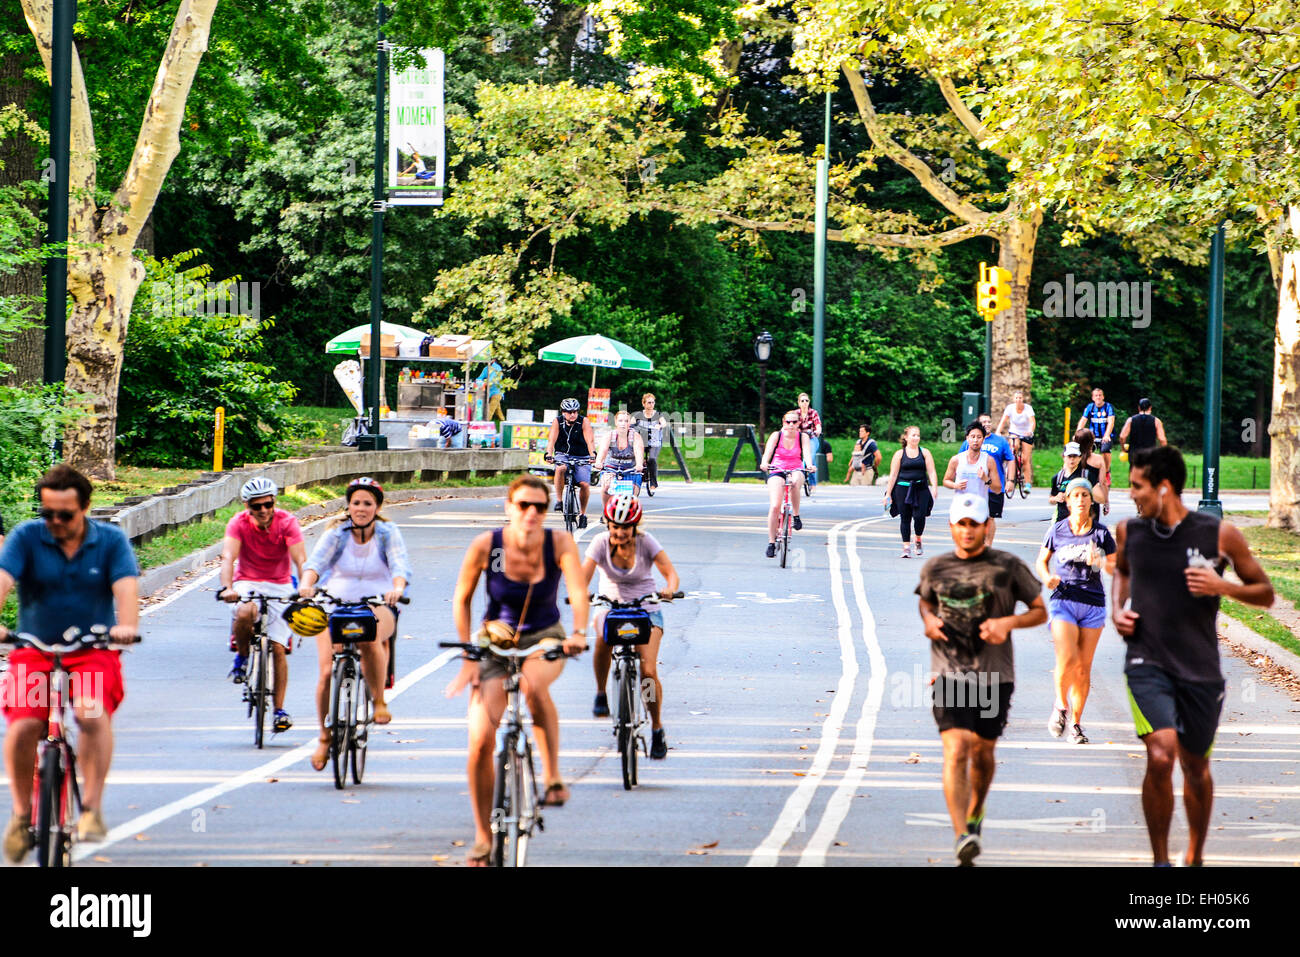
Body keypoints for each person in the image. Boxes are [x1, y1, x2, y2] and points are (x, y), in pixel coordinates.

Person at [1113, 446, 1273, 867]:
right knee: (1161, 753)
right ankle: (1160, 861)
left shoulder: (1217, 534)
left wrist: (1224, 588)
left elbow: (1266, 592)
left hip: (1201, 670)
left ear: (1164, 488)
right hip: (1146, 662)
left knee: (1195, 766)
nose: (1130, 494)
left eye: (1136, 486)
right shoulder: (1130, 531)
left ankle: (1194, 857)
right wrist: (1118, 609)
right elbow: (1123, 571)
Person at [445, 475, 589, 866]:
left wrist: (578, 632)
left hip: (545, 637)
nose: (531, 513)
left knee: (531, 686)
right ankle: (481, 835)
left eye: (539, 507)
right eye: (523, 505)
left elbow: (577, 591)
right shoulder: (486, 545)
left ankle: (553, 776)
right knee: (479, 741)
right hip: (495, 641)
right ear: (508, 507)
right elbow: (462, 599)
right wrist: (468, 654)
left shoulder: (557, 543)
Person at [0, 465, 140, 859]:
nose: (55, 522)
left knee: (91, 715)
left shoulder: (110, 541)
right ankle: (21, 813)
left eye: (65, 514)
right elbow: (3, 579)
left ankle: (91, 808)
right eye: (48, 514)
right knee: (25, 721)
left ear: (85, 508)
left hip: (92, 650)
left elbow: (126, 588)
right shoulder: (27, 537)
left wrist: (125, 627)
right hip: (34, 647)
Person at [916, 493, 1046, 866]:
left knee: (983, 752)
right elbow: (925, 601)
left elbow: (1040, 611)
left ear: (988, 526)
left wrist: (1008, 622)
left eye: (975, 524)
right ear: (952, 527)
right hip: (949, 673)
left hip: (995, 676)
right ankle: (962, 835)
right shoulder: (936, 568)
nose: (968, 531)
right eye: (962, 524)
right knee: (956, 750)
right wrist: (928, 621)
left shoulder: (1008, 567)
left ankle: (975, 813)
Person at [298, 477, 409, 772]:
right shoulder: (337, 533)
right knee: (325, 672)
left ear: (378, 507)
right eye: (356, 502)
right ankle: (324, 736)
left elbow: (400, 567)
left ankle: (379, 700)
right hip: (334, 602)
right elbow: (315, 565)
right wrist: (307, 586)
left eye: (367, 504)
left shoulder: (387, 532)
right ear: (348, 505)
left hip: (376, 602)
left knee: (369, 636)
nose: (361, 508)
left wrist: (397, 588)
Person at [581, 495, 681, 759]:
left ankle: (657, 727)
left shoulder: (646, 542)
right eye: (615, 526)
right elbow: (583, 577)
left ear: (635, 526)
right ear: (608, 524)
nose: (620, 531)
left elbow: (670, 573)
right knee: (603, 638)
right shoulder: (600, 543)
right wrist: (580, 593)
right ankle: (601, 693)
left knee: (648, 670)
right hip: (610, 605)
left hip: (646, 607)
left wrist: (669, 590)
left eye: (626, 527)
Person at [219, 476, 306, 734]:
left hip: (280, 584)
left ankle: (279, 710)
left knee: (278, 648)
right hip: (247, 581)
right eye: (257, 506)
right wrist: (228, 588)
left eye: (267, 504)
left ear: (274, 502)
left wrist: (304, 589)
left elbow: (300, 560)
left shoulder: (287, 522)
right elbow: (228, 557)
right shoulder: (238, 523)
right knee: (246, 611)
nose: (263, 510)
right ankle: (243, 656)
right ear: (248, 506)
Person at [1035, 478, 1116, 745]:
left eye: (1085, 495)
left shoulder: (1102, 534)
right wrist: (1046, 577)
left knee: (1082, 668)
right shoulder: (1057, 530)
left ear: (1091, 501)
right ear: (1067, 501)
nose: (1080, 500)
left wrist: (1100, 561)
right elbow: (1041, 561)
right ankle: (1060, 706)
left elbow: (1115, 568)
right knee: (1067, 658)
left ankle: (1077, 725)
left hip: (1093, 604)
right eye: (1075, 495)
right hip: (1063, 600)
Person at [759, 410, 812, 558]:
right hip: (777, 468)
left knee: (795, 482)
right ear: (783, 423)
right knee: (775, 505)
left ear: (799, 423)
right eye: (788, 422)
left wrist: (810, 465)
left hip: (796, 467)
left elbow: (807, 453)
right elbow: (768, 452)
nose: (791, 425)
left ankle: (796, 515)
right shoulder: (777, 435)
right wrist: (764, 463)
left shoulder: (803, 437)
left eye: (794, 422)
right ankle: (771, 542)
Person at [882, 425, 938, 558]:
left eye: (918, 435)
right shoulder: (899, 454)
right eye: (913, 435)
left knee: (919, 516)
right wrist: (888, 494)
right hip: (902, 489)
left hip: (921, 488)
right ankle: (906, 547)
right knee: (905, 518)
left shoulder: (925, 453)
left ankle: (918, 539)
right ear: (906, 437)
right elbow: (893, 475)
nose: (916, 438)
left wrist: (934, 487)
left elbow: (931, 471)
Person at [959, 414, 1014, 542]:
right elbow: (959, 462)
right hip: (973, 488)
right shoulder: (969, 442)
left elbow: (1011, 460)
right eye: (984, 422)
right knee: (973, 517)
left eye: (989, 421)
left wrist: (1010, 480)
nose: (987, 424)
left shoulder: (1000, 441)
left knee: (990, 518)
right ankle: (976, 544)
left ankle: (988, 546)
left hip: (993, 487)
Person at [945, 422, 1004, 543]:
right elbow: (946, 481)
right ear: (967, 438)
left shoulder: (989, 461)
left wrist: (986, 479)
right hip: (960, 506)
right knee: (962, 541)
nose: (975, 440)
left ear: (983, 439)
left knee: (978, 542)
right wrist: (955, 485)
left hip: (979, 507)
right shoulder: (956, 460)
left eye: (979, 437)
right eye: (972, 437)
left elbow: (998, 488)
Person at [545, 397, 596, 528]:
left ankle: (582, 514)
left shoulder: (584, 421)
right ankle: (559, 500)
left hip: (582, 456)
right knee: (560, 468)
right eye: (569, 412)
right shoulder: (557, 422)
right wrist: (549, 454)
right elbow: (551, 440)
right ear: (563, 412)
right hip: (563, 455)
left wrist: (592, 454)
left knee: (584, 484)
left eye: (575, 411)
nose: (572, 414)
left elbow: (590, 441)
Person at [593, 409, 646, 514]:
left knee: (634, 493)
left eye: (626, 421)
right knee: (605, 487)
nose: (623, 424)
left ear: (629, 423)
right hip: (611, 468)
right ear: (616, 422)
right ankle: (606, 512)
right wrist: (599, 462)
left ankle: (630, 515)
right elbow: (602, 450)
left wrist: (639, 464)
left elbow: (638, 450)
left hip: (631, 470)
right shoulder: (609, 436)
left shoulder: (635, 436)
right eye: (620, 421)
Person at [996, 390, 1037, 490]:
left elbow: (1033, 422)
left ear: (1023, 399)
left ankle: (1027, 484)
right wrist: (998, 431)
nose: (1018, 400)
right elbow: (1003, 421)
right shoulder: (1010, 408)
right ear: (1014, 399)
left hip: (1026, 434)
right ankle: (1011, 470)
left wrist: (1030, 431)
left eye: (1020, 398)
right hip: (1014, 432)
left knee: (1025, 460)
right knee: (1014, 446)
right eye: (1016, 398)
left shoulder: (1028, 409)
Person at [631, 393, 669, 495]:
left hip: (654, 442)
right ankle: (631, 480)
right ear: (644, 404)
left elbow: (664, 423)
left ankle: (653, 484)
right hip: (641, 441)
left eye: (653, 402)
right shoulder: (638, 415)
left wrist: (660, 426)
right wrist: (632, 426)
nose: (651, 404)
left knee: (652, 459)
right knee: (633, 457)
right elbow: (631, 423)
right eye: (649, 402)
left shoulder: (658, 414)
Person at [1078, 387, 1116, 486]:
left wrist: (1107, 435)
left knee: (1105, 450)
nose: (1098, 397)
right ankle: (1085, 472)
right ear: (1092, 398)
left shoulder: (1108, 407)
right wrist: (1078, 433)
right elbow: (1083, 420)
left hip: (1105, 436)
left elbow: (1111, 421)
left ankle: (1107, 473)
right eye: (1096, 395)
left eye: (1100, 395)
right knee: (1085, 451)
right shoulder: (1090, 407)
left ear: (1103, 397)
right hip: (1093, 436)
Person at [795, 392, 823, 488]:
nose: (804, 402)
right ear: (799, 403)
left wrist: (818, 431)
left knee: (810, 457)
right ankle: (802, 479)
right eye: (802, 401)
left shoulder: (813, 413)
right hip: (798, 438)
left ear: (809, 402)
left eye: (806, 400)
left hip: (811, 438)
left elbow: (818, 424)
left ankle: (810, 481)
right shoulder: (796, 414)